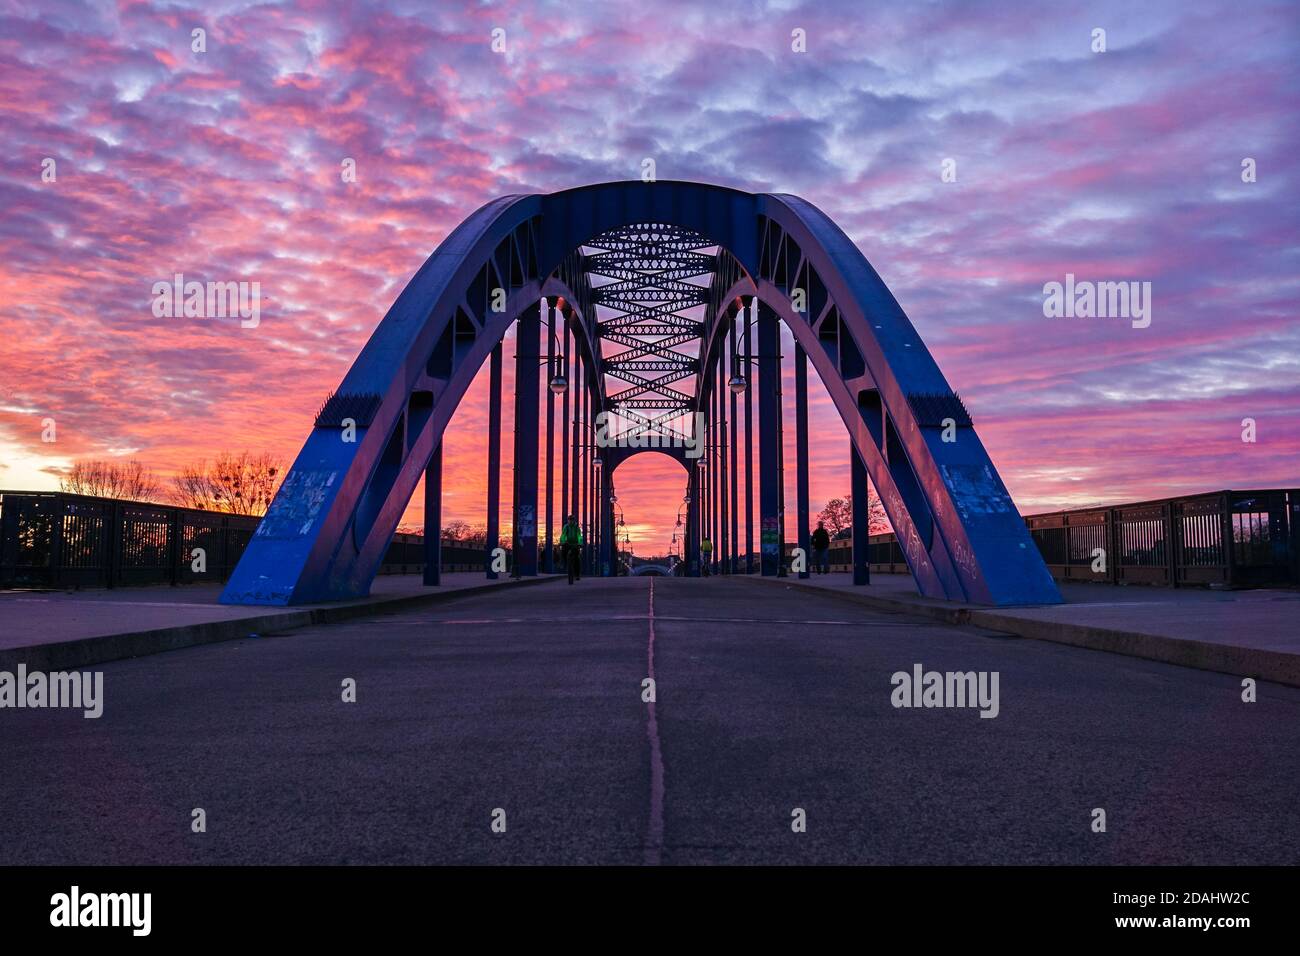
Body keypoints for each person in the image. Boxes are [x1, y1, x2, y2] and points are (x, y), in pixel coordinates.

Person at [559, 515, 584, 585]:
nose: (570, 521)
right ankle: (563, 563)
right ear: (568, 520)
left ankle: (577, 574)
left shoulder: (576, 528)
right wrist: (562, 542)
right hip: (568, 543)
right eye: (569, 520)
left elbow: (579, 536)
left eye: (572, 520)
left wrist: (580, 543)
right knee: (563, 551)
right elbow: (563, 535)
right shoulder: (566, 527)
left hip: (575, 544)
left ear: (574, 520)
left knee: (577, 559)